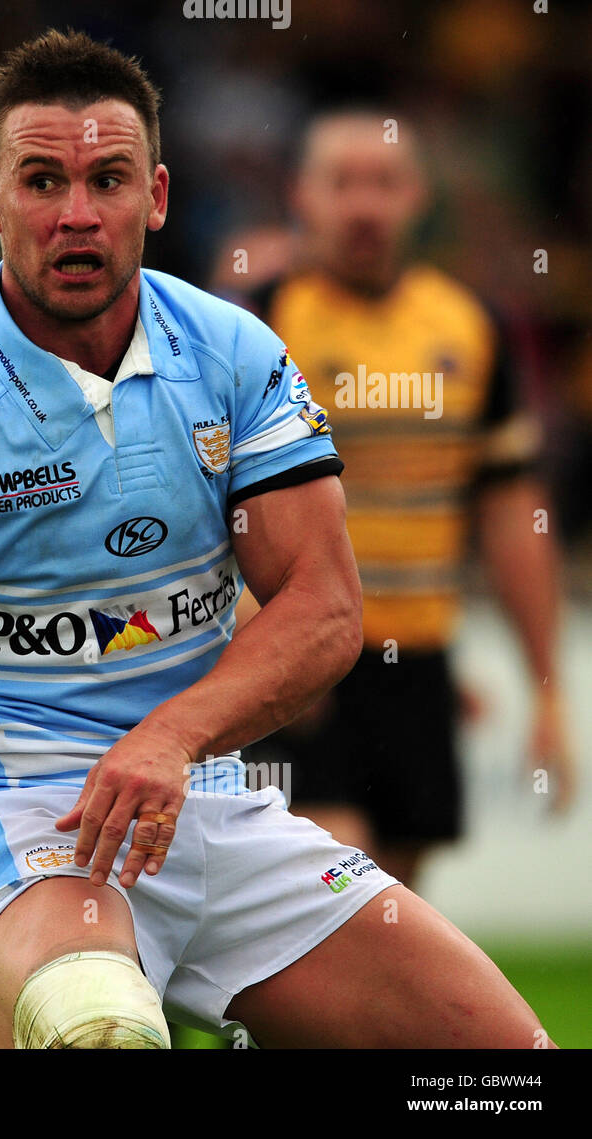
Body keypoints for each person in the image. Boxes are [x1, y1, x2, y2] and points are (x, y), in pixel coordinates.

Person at [0, 30, 553, 1049]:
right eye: (41, 181)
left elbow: (323, 605)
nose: (77, 214)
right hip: (25, 828)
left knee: (507, 1064)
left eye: (106, 179)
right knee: (101, 1034)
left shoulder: (238, 355)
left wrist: (170, 737)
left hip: (212, 807)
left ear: (154, 196)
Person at [228, 110, 573, 890]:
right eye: (342, 183)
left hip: (419, 661)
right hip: (300, 652)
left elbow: (514, 514)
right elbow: (203, 493)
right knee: (327, 878)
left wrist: (547, 688)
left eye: (383, 183)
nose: (363, 206)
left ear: (418, 196)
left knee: (390, 900)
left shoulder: (472, 326)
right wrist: (247, 621)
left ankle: (220, 1012)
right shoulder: (254, 323)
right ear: (301, 196)